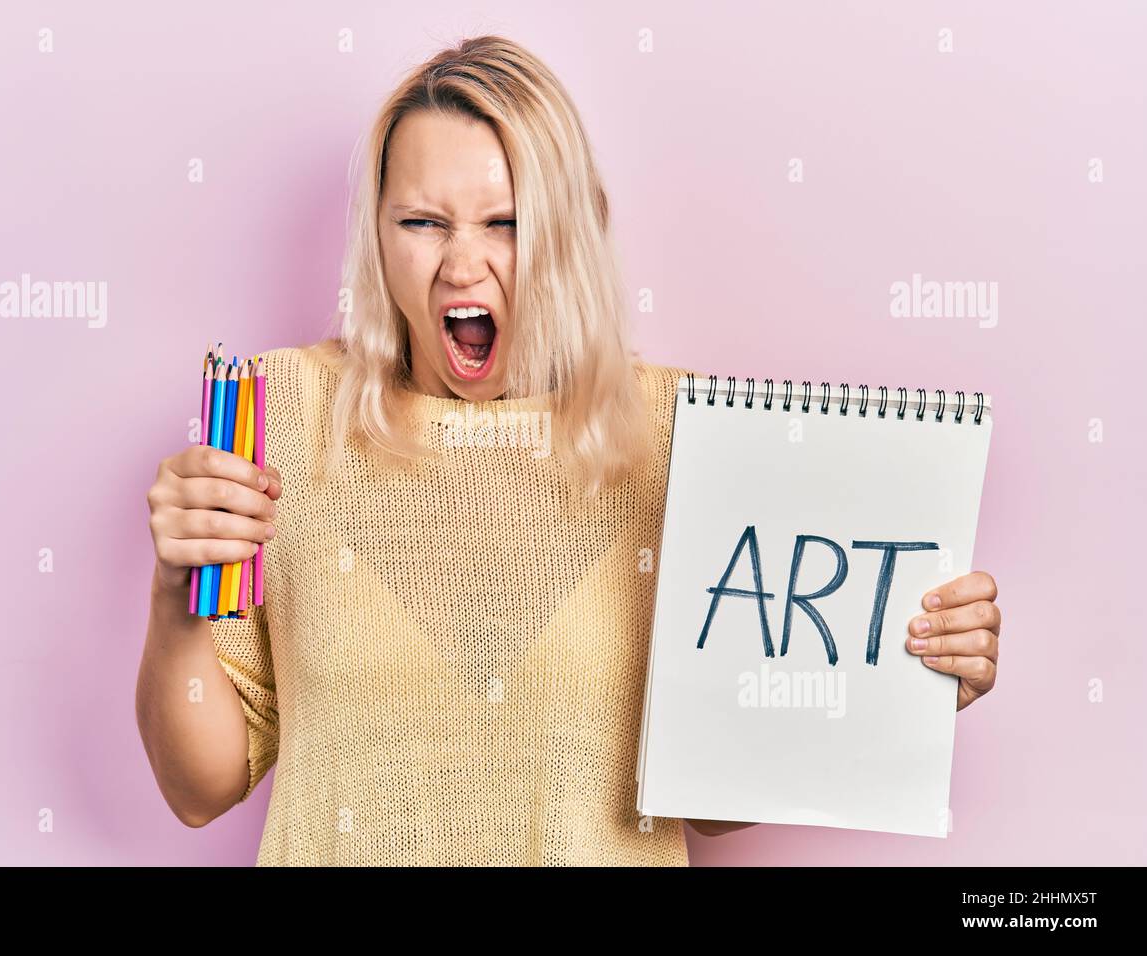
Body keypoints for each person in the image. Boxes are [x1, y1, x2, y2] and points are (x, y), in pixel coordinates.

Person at [136, 35, 1002, 866]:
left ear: (571, 231)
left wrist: (901, 676)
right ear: (378, 233)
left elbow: (714, 804)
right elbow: (200, 789)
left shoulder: (681, 436)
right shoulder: (277, 415)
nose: (462, 264)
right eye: (423, 222)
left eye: (507, 222)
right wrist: (175, 592)